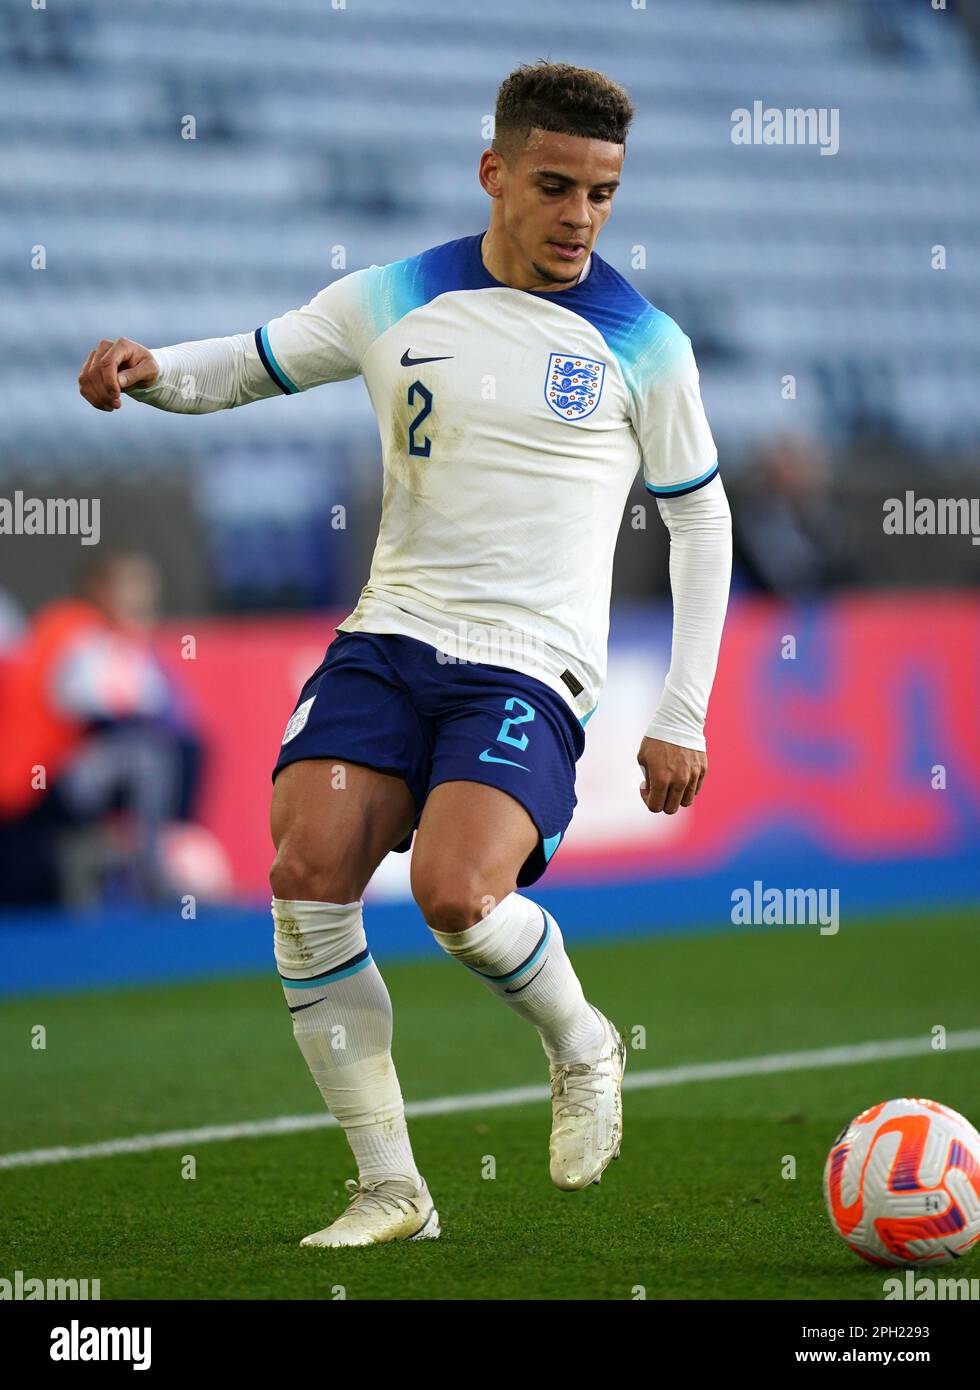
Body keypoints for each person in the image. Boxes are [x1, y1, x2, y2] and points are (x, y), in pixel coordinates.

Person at [78, 62, 733, 1248]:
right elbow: (251, 361)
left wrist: (681, 706)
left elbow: (700, 517)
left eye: (601, 194)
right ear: (493, 173)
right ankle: (392, 1188)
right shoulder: (395, 298)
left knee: (453, 894)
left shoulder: (648, 344)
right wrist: (150, 371)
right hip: (386, 641)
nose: (578, 218)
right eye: (553, 186)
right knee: (305, 877)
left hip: (529, 666)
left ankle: (583, 1042)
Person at [0, 553, 203, 904]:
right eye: (133, 586)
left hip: (35, 789)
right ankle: (150, 879)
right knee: (153, 755)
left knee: (162, 749)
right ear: (100, 589)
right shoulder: (81, 631)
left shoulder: (63, 624)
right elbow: (138, 701)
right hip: (27, 794)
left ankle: (113, 859)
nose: (144, 600)